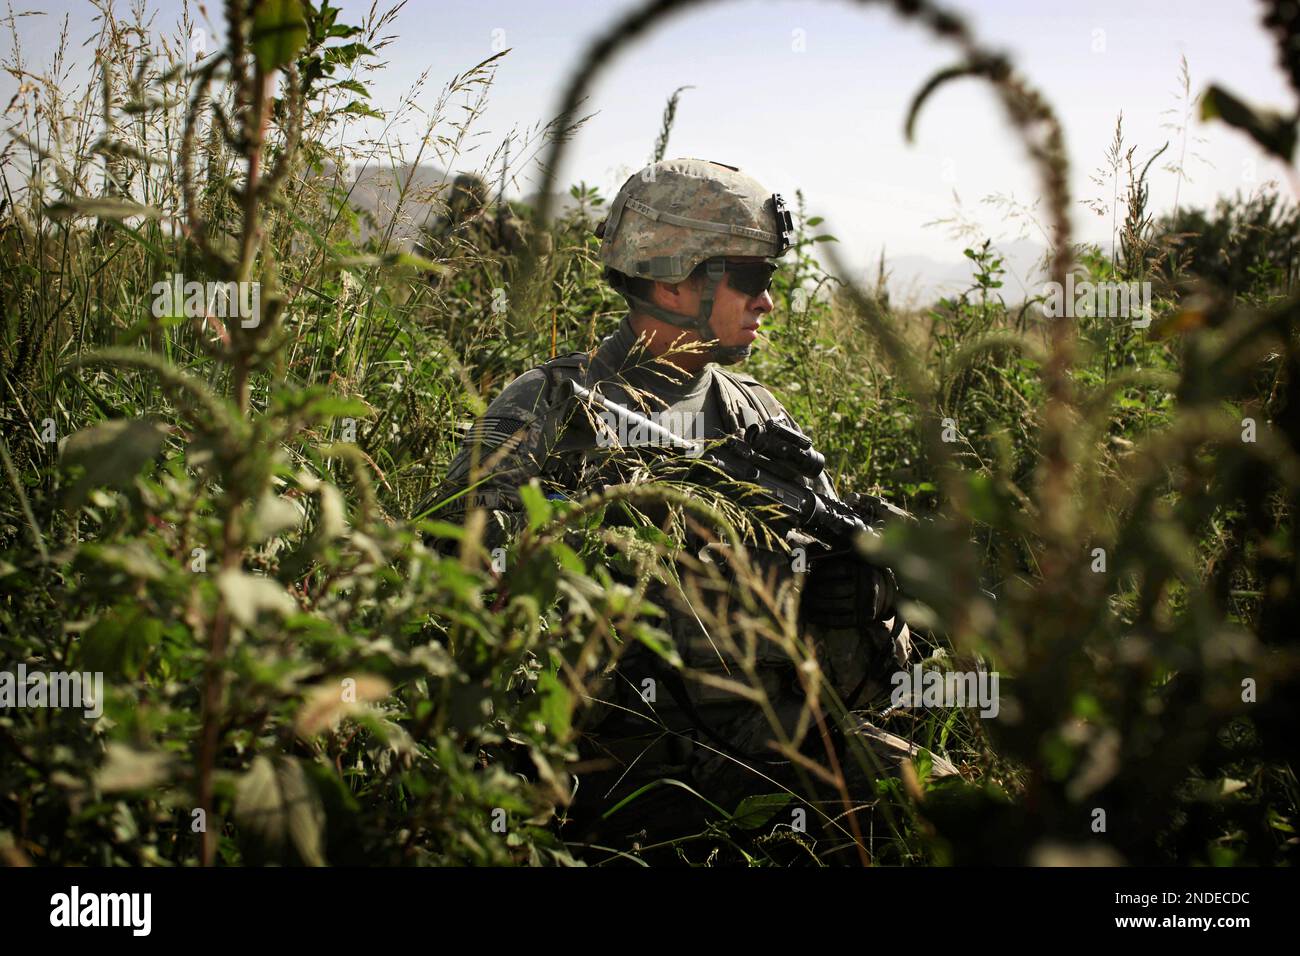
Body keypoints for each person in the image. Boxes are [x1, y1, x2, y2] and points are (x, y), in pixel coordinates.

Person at [420, 158, 950, 854]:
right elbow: (443, 555)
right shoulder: (553, 404)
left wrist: (853, 578)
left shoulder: (756, 409)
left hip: (769, 721)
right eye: (752, 279)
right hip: (631, 756)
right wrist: (609, 530)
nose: (767, 302)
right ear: (674, 277)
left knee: (947, 793)